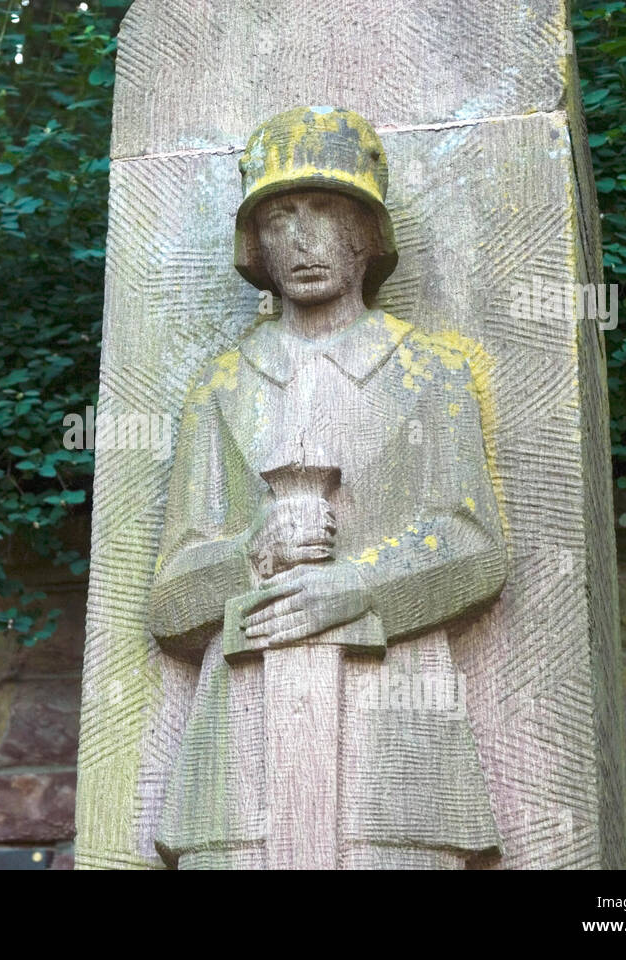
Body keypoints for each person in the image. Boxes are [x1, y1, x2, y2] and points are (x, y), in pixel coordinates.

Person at [147, 106, 509, 869]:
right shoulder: (219, 387)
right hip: (241, 751)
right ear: (255, 242)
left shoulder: (429, 372)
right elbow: (170, 600)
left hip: (399, 738)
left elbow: (476, 548)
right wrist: (250, 553)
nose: (304, 239)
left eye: (328, 212)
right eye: (280, 218)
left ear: (368, 233)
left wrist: (360, 586)